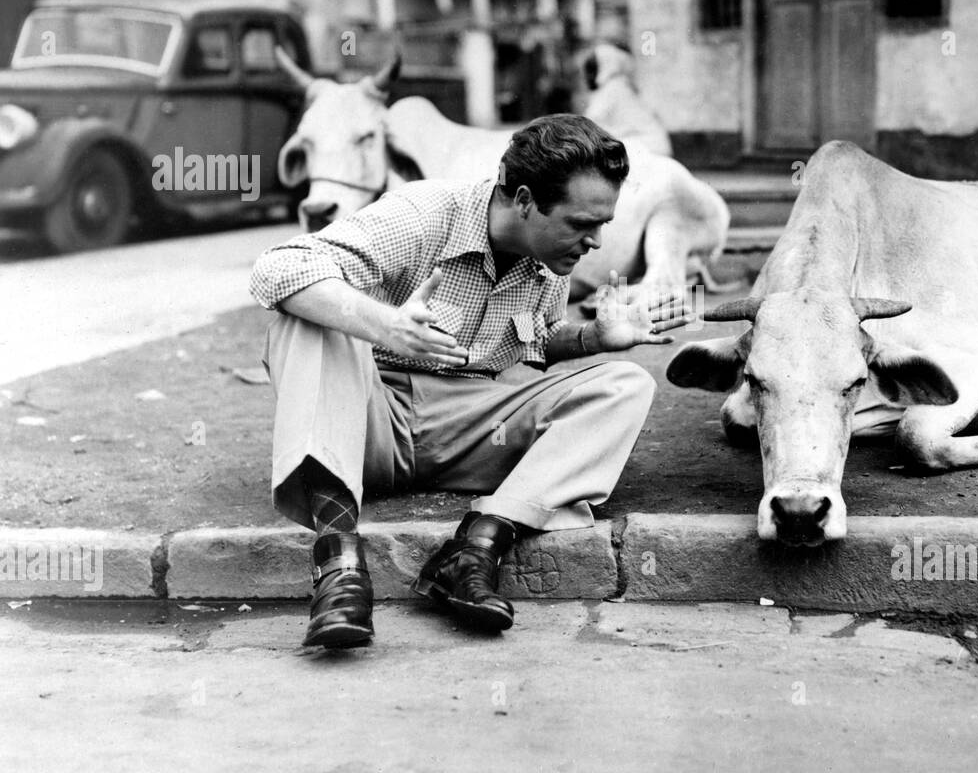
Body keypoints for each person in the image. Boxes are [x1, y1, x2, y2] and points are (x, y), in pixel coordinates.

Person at [249, 114, 691, 648]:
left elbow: (534, 341)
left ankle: (473, 550)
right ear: (525, 200)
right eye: (581, 223)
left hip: (474, 428)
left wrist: (592, 339)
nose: (596, 241)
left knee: (625, 384)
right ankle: (339, 566)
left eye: (601, 223)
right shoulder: (421, 214)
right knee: (300, 319)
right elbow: (279, 267)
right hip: (368, 420)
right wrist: (383, 323)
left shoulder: (551, 257)